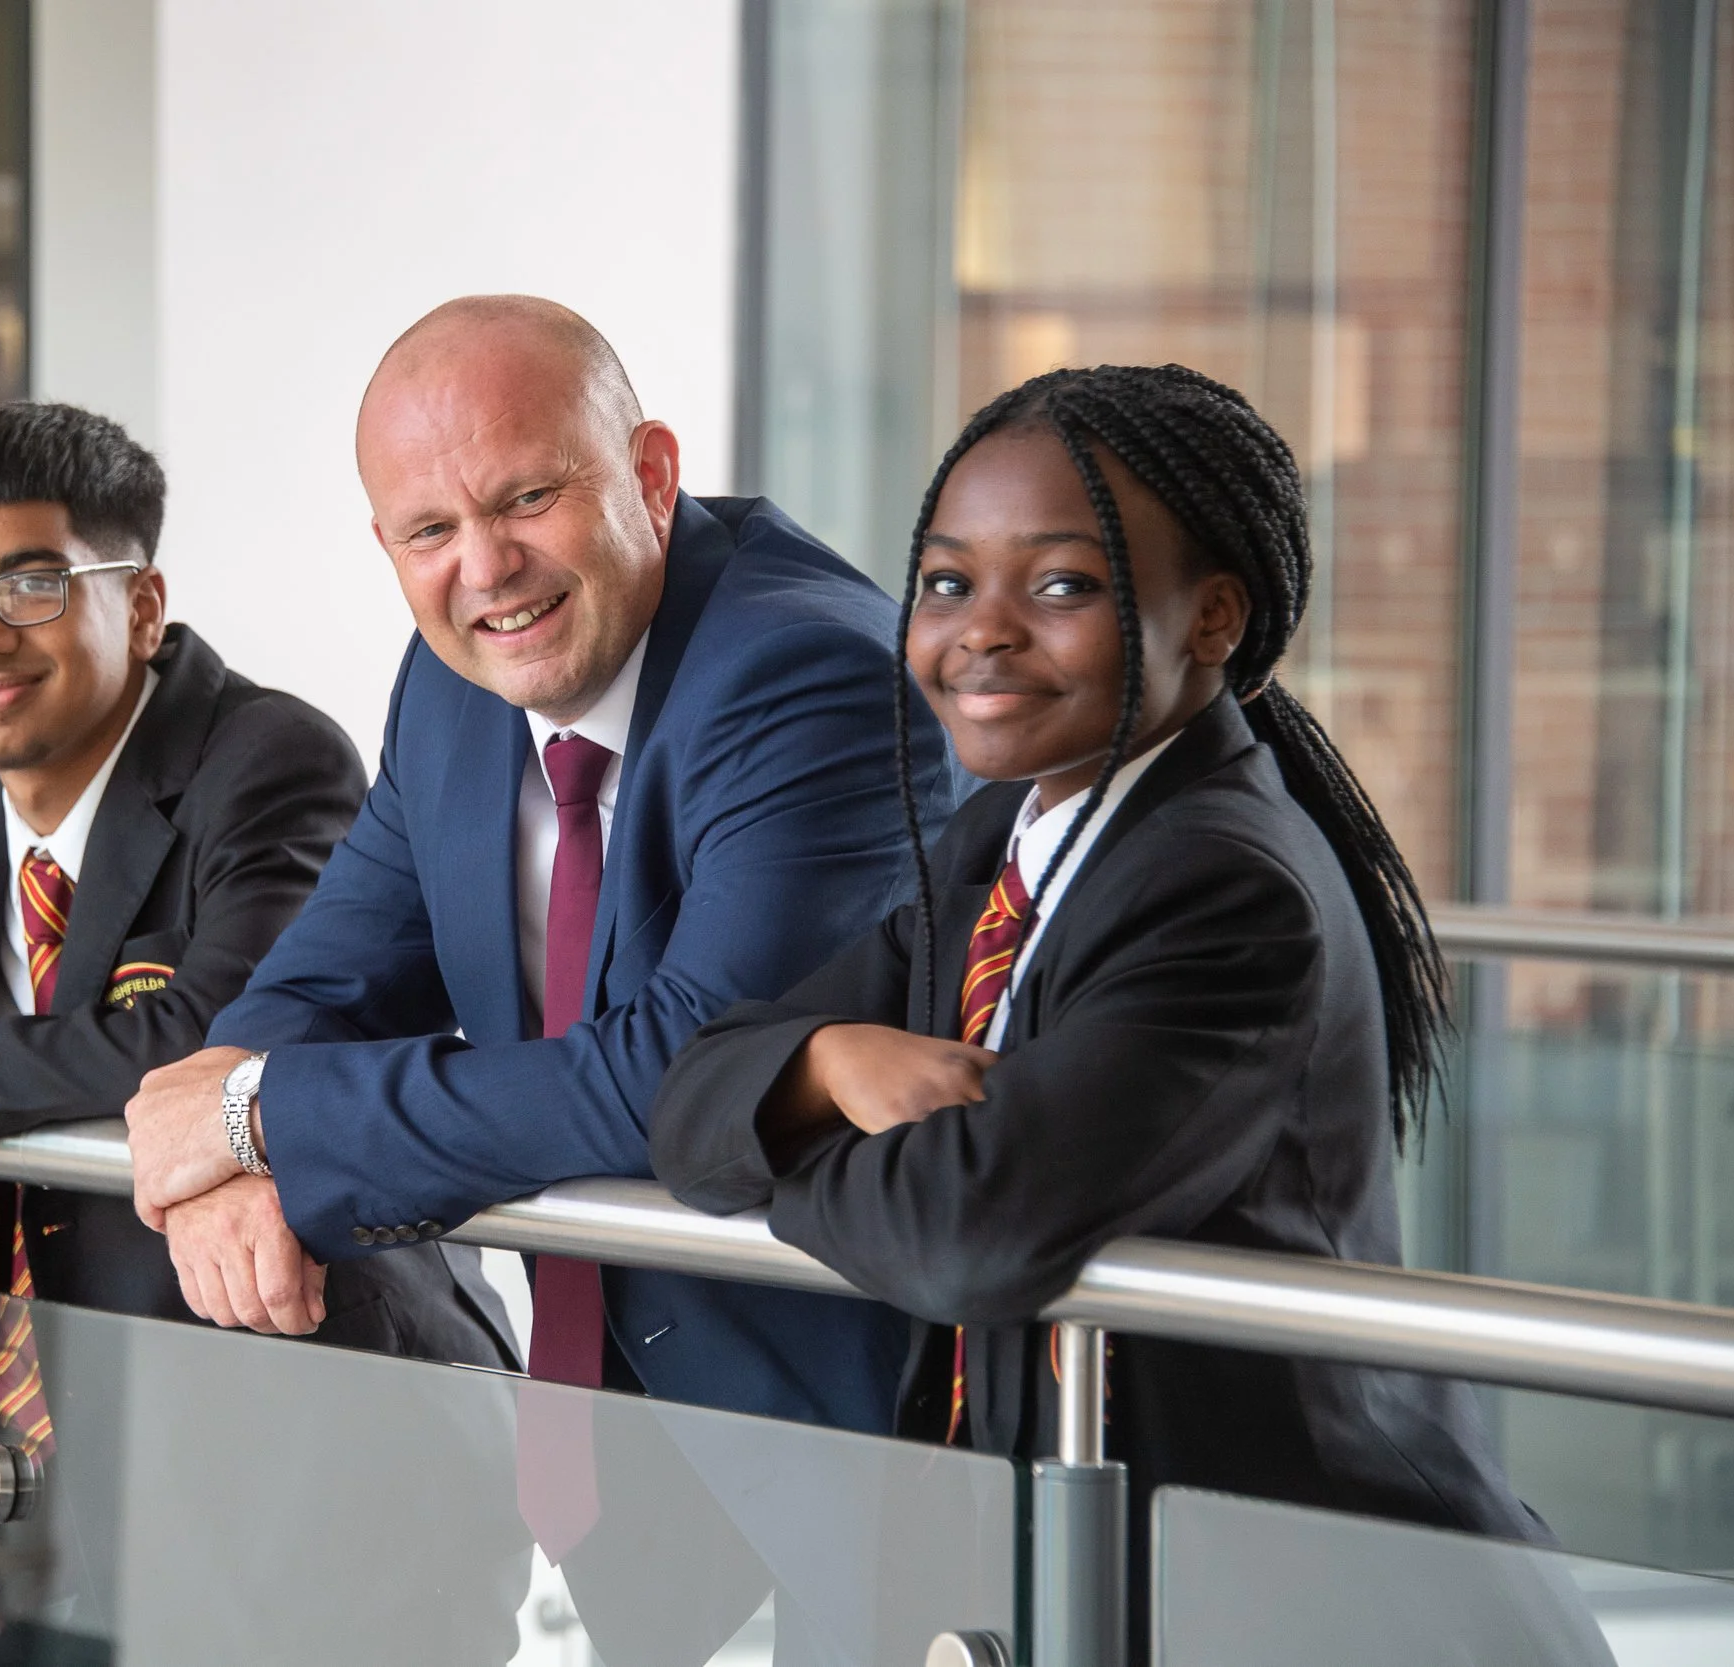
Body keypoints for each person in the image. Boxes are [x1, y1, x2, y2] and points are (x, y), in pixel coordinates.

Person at [648, 365, 1543, 1570]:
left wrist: (796, 1159)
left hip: (1302, 1589)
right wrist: (821, 1063)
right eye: (948, 582)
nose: (982, 630)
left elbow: (970, 1233)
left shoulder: (1226, 885)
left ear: (1213, 618)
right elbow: (686, 1099)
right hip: (1074, 1557)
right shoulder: (994, 840)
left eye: (1061, 584)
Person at [126, 295, 967, 1433]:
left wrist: (251, 1118)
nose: (485, 567)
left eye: (528, 497)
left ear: (652, 473)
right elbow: (328, 981)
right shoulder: (449, 685)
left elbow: (684, 1067)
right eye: (429, 531)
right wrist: (214, 1170)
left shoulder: (806, 675)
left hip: (854, 1405)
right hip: (622, 1407)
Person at [0, 400, 510, 1369]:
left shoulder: (268, 760)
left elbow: (211, 1040)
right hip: (57, 1386)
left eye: (28, 585)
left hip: (308, 1363)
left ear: (143, 605)